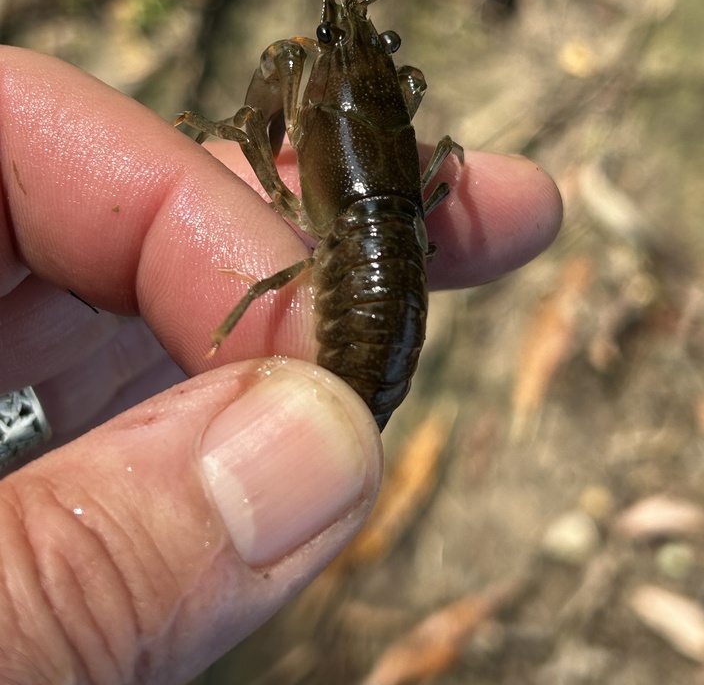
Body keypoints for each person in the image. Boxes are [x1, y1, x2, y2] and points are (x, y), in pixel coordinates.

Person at [0, 45, 562, 683]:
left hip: (366, 304)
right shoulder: (400, 118)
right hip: (391, 271)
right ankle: (12, 427)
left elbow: (268, 116)